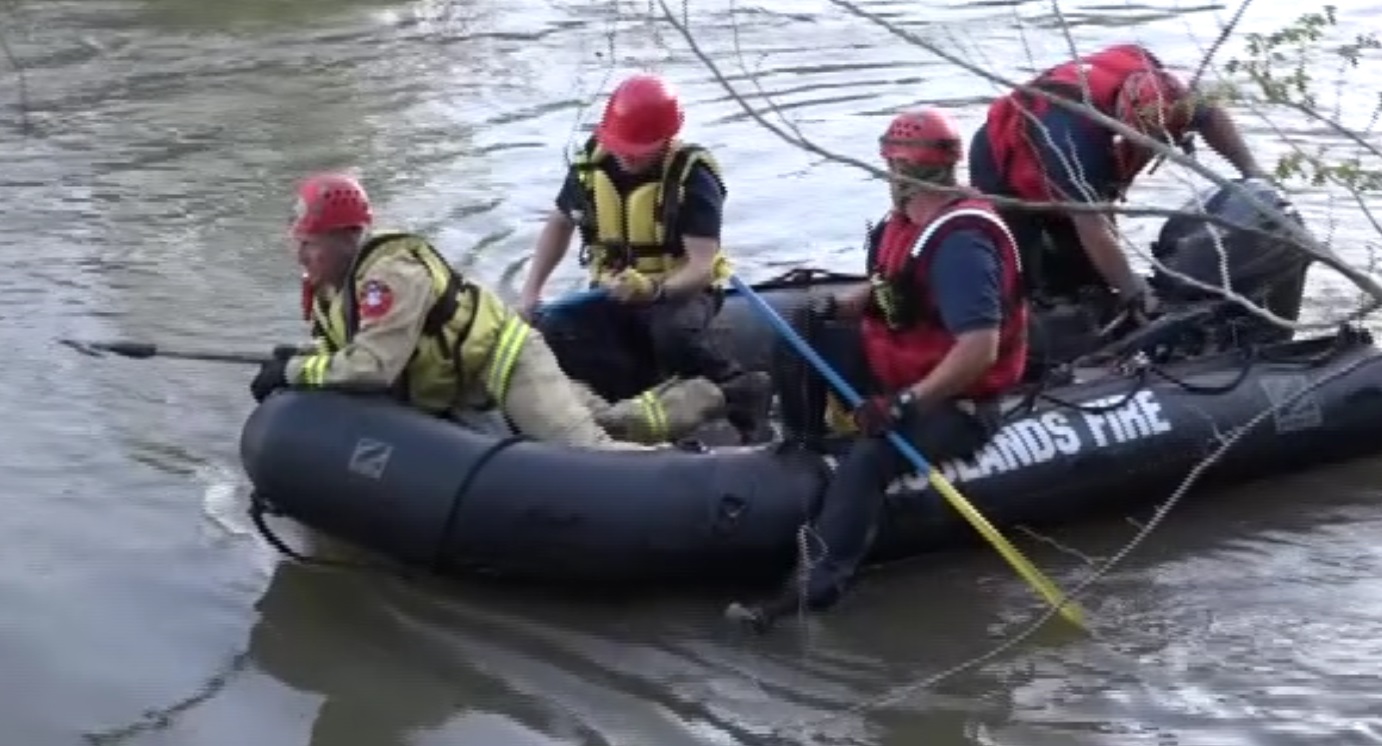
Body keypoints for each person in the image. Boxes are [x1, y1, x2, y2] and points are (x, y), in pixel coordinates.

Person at [726, 108, 1030, 632]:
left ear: (904, 170)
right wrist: (837, 308)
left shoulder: (961, 244)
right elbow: (891, 284)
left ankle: (816, 587)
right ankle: (805, 447)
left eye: (891, 166)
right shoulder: (912, 221)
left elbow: (980, 346)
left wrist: (906, 405)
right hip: (902, 363)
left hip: (955, 399)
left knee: (870, 460)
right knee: (801, 331)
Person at [249, 171, 725, 448]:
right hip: (463, 380)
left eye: (310, 245)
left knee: (587, 450)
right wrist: (305, 354)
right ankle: (708, 397)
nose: (301, 256)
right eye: (300, 244)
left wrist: (295, 371)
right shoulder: (333, 286)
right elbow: (350, 345)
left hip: (504, 363)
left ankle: (700, 457)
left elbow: (373, 366)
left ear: (344, 238)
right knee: (610, 421)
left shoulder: (389, 276)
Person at [517, 72, 772, 443]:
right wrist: (530, 293)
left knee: (672, 334)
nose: (625, 157)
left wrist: (653, 291)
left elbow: (701, 266)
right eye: (619, 146)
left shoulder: (692, 177)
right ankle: (618, 406)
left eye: (637, 151)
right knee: (556, 332)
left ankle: (740, 390)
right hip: (611, 289)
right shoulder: (594, 164)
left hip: (679, 290)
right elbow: (559, 225)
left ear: (666, 141)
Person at [969, 42, 1266, 324]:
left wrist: (1252, 171)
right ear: (1123, 123)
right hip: (1003, 168)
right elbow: (1092, 226)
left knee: (1092, 282)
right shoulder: (1071, 138)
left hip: (1075, 160)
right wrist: (1135, 292)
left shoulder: (1164, 88)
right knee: (1027, 282)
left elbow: (1210, 116)